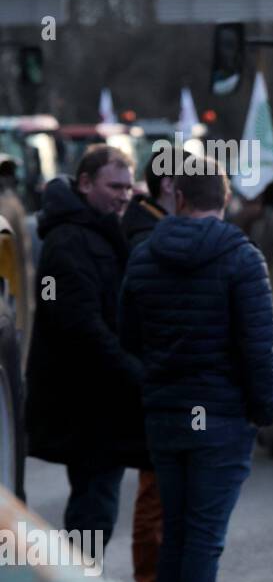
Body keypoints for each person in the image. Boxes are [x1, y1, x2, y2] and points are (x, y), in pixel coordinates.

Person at [120, 158, 273, 582]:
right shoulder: (241, 258)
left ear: (177, 198)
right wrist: (264, 408)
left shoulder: (143, 257)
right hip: (222, 415)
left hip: (166, 413)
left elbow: (130, 337)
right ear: (224, 200)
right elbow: (259, 346)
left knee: (177, 530)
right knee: (204, 535)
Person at [25, 145, 148, 548]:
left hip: (97, 398)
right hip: (86, 401)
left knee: (96, 506)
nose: (123, 195)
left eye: (128, 187)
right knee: (94, 510)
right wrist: (133, 372)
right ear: (84, 183)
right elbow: (80, 326)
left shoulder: (97, 232)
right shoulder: (69, 241)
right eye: (114, 186)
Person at [119, 145, 175, 582]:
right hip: (154, 383)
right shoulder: (146, 239)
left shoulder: (152, 230)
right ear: (171, 188)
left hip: (157, 381)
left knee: (164, 492)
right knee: (153, 492)